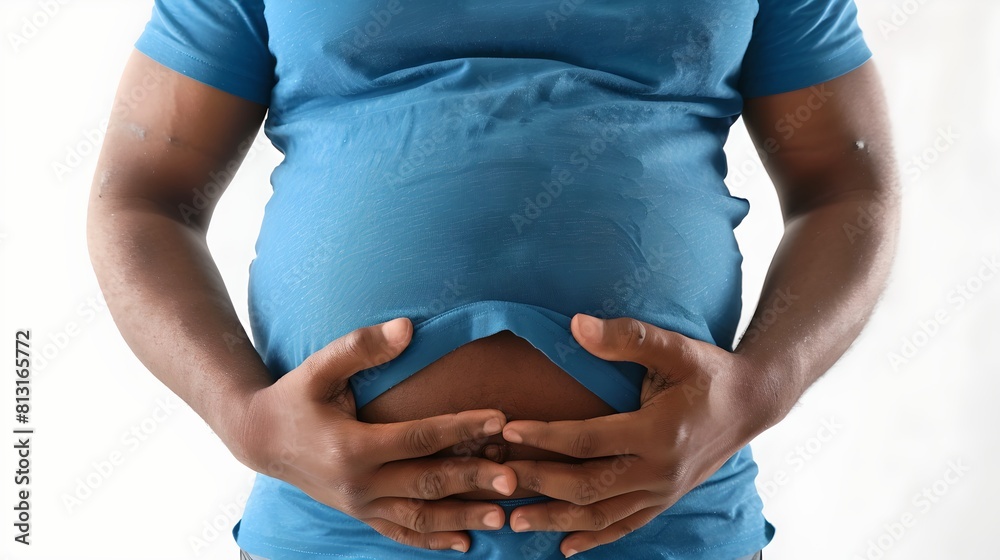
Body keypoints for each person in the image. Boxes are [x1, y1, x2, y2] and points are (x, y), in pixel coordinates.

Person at [86, 0, 899, 558]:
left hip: (664, 529)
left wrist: (758, 391)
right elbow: (142, 200)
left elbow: (847, 186)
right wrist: (246, 421)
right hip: (336, 534)